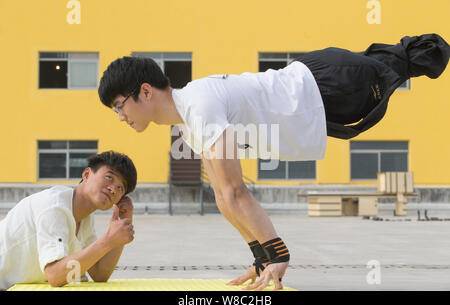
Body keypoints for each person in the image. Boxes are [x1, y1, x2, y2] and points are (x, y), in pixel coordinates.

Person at [97, 33, 449, 290]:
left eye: (118, 106)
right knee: (399, 63)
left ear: (145, 91)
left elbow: (237, 191)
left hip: (329, 85)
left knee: (408, 60)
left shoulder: (199, 107)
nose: (120, 116)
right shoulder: (190, 124)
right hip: (321, 91)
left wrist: (277, 254)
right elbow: (222, 196)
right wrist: (260, 255)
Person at [0, 151, 137, 290]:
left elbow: (99, 274)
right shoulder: (54, 206)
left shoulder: (85, 219)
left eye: (120, 187)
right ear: (87, 174)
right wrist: (107, 240)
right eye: (109, 177)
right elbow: (55, 276)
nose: (113, 189)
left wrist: (123, 224)